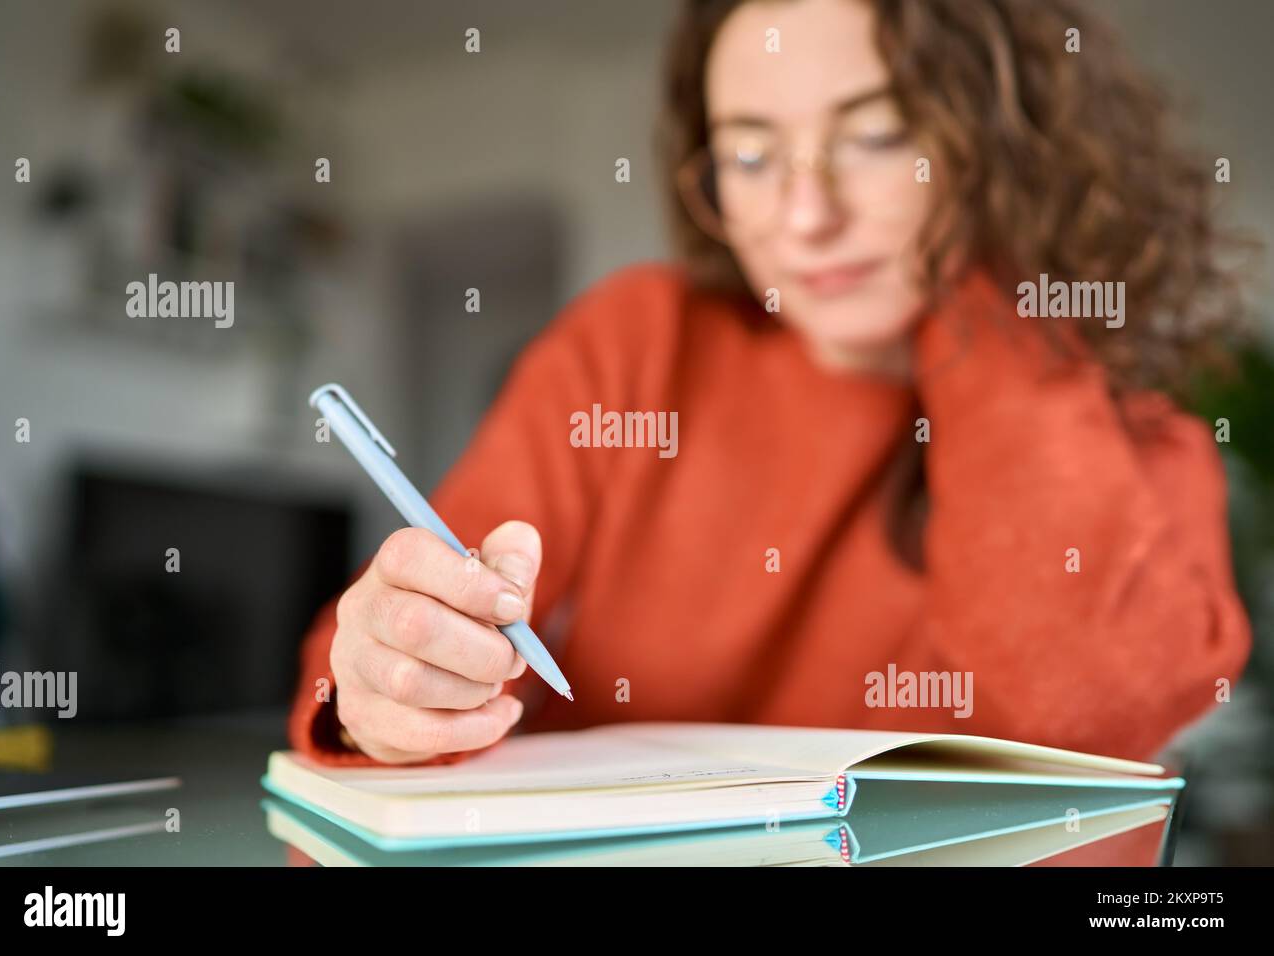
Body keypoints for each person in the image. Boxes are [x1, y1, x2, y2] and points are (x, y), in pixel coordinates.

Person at [290, 0, 1252, 767]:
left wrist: (988, 292)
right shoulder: (637, 342)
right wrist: (394, 683)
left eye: (876, 136)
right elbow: (362, 661)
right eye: (750, 153)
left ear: (998, 143)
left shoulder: (1138, 434)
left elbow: (1081, 714)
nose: (804, 215)